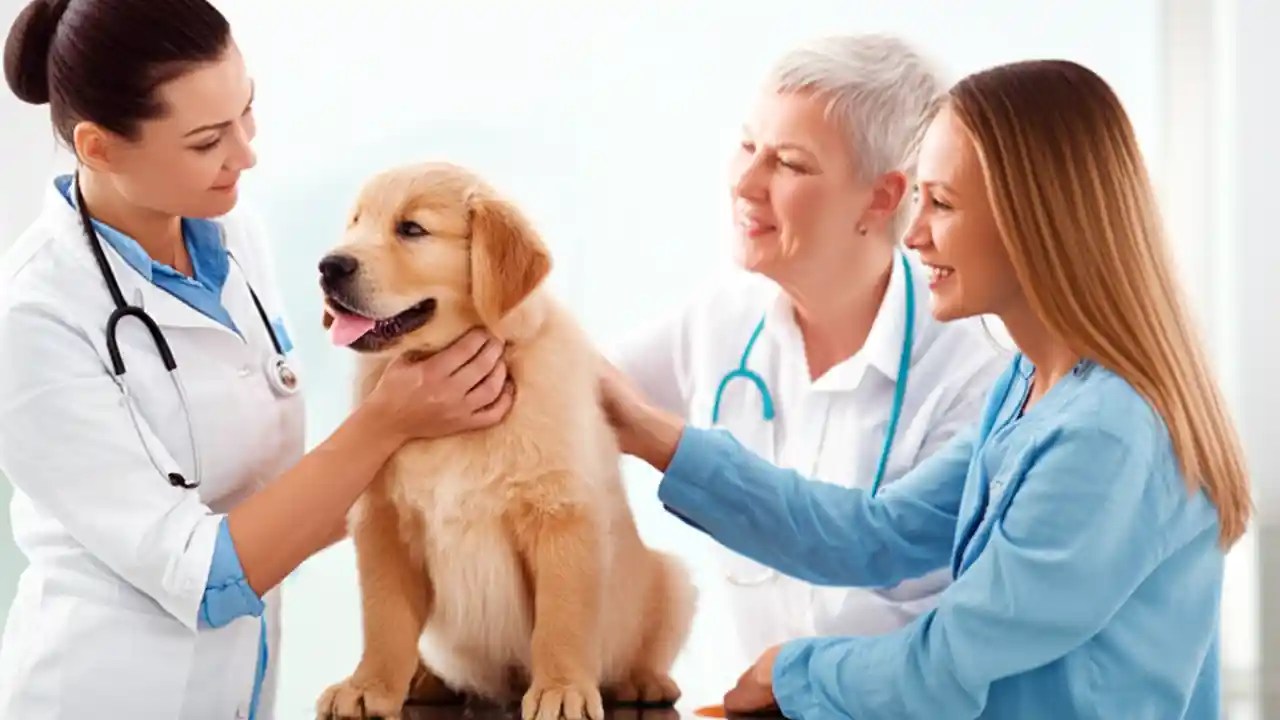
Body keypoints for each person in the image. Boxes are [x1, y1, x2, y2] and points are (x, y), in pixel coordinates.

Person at [601, 58, 1252, 718]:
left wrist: (792, 672)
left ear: (1034, 222)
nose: (912, 236)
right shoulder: (1029, 390)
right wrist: (653, 434)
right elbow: (871, 535)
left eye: (940, 204)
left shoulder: (1105, 437)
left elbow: (942, 669)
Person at [0, 1, 512, 717]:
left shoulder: (231, 230)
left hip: (242, 688)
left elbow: (280, 493)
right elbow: (204, 577)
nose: (245, 154)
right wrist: (387, 424)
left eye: (248, 112)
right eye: (207, 139)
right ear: (100, 148)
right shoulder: (35, 316)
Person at [611, 34, 1007, 685]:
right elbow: (566, 394)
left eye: (790, 164)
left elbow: (937, 638)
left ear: (882, 198)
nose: (744, 182)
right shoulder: (721, 322)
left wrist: (659, 439)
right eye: (747, 145)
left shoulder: (970, 382)